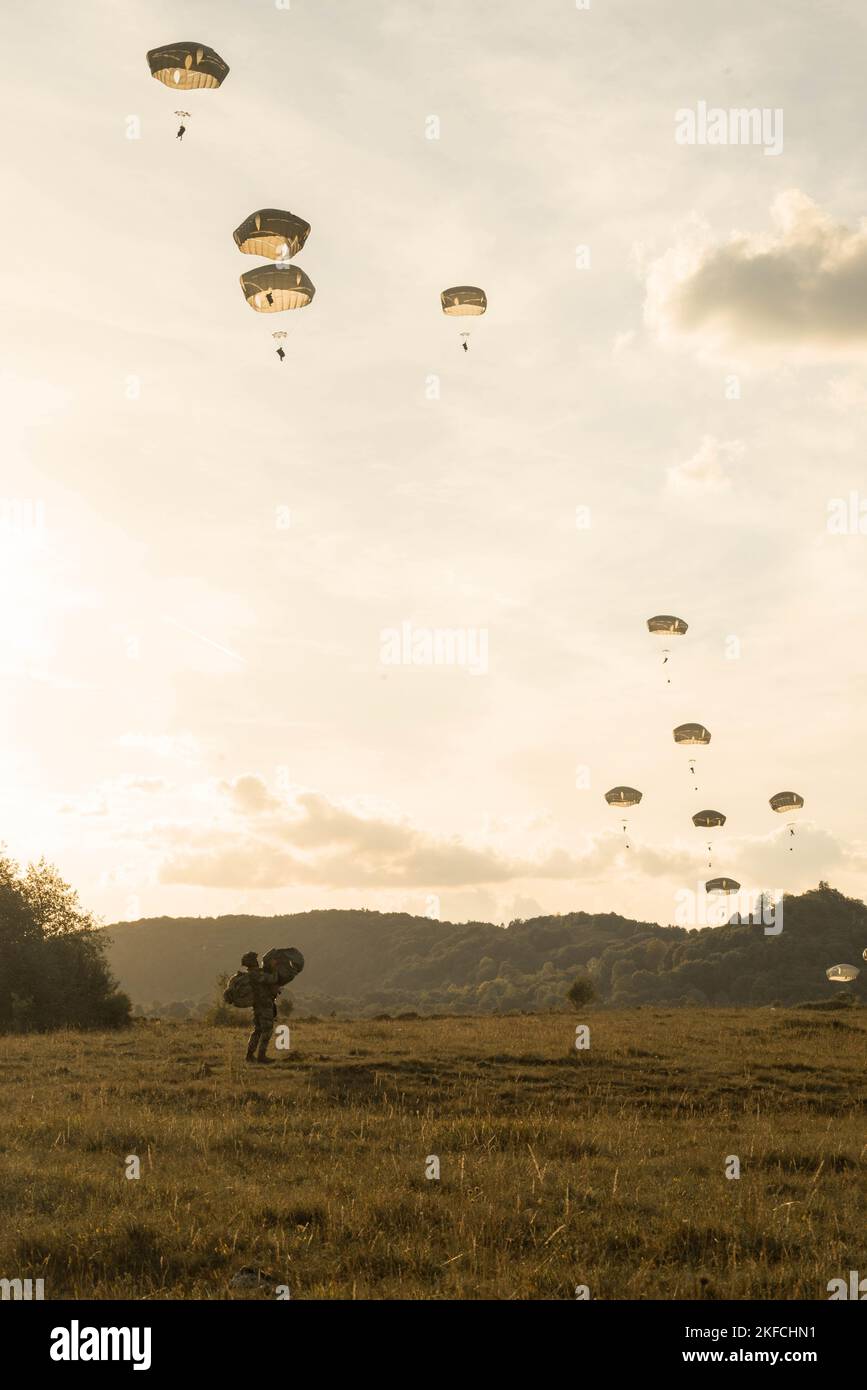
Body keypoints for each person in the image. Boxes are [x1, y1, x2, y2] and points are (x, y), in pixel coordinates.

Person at [240, 951, 281, 1064]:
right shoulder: (256, 974)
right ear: (253, 962)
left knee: (257, 1030)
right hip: (264, 1005)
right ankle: (261, 1056)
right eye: (255, 960)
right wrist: (274, 968)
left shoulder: (251, 974)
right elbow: (272, 979)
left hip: (258, 1006)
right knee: (267, 1030)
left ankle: (249, 1055)